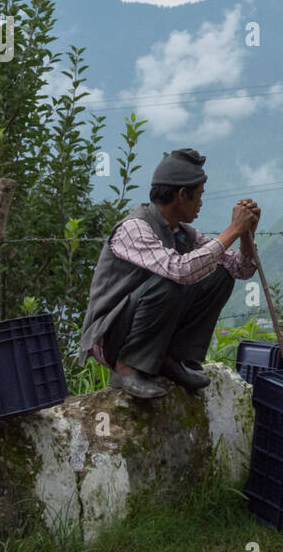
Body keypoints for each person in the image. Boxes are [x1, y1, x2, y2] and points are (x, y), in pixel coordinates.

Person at [79, 148, 261, 398]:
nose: (200, 203)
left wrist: (245, 235)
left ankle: (173, 359)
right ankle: (126, 368)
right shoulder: (134, 228)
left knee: (220, 273)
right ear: (182, 195)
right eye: (198, 196)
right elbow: (180, 270)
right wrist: (231, 230)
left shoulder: (183, 233)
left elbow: (240, 268)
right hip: (110, 336)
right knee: (172, 278)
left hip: (143, 324)